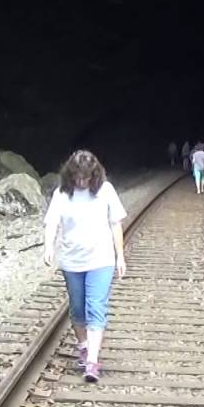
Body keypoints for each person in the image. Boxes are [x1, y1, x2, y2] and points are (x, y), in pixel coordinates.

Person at [42, 150, 128, 383]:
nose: (82, 182)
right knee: (78, 308)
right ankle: (83, 345)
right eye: (77, 177)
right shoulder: (61, 194)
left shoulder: (105, 191)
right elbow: (52, 222)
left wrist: (120, 257)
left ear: (94, 175)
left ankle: (92, 361)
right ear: (70, 175)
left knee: (96, 306)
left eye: (86, 177)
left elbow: (115, 224)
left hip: (101, 259)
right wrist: (48, 246)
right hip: (72, 260)